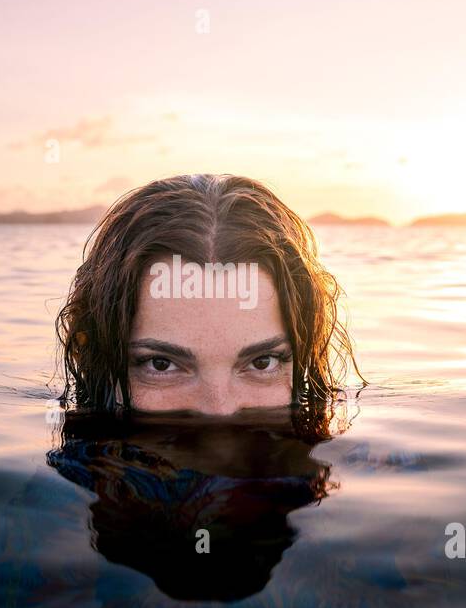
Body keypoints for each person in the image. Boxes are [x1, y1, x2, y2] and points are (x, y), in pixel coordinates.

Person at [56, 172, 364, 434]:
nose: (220, 412)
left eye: (262, 362)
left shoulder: (364, 474)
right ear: (98, 361)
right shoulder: (59, 503)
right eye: (161, 365)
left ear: (302, 356)